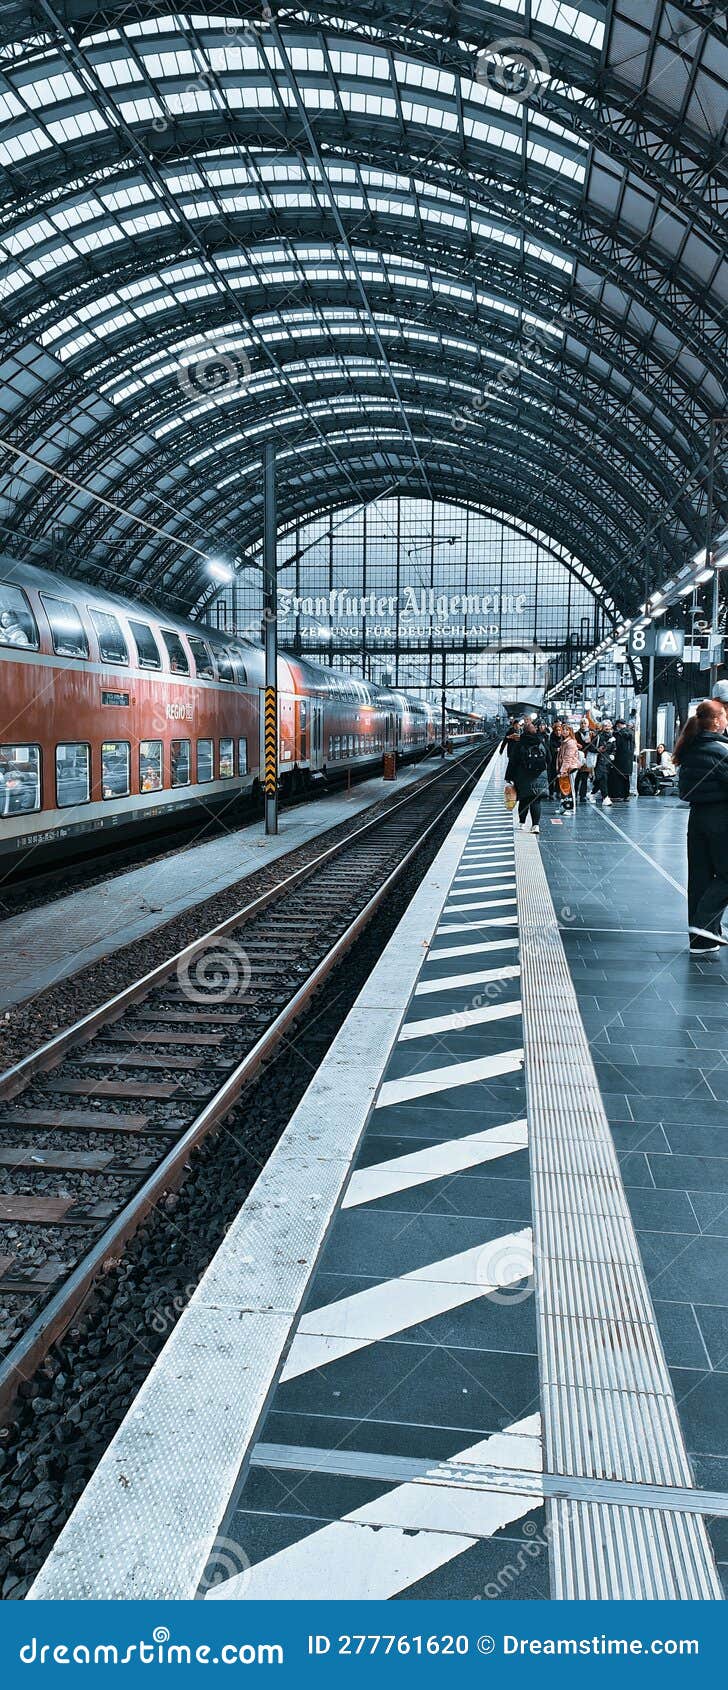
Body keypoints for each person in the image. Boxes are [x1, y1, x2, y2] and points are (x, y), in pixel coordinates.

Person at [674, 698, 728, 952]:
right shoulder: (721, 749)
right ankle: (704, 924)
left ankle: (701, 942)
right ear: (717, 721)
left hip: (697, 819)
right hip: (721, 818)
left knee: (700, 877)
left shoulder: (690, 748)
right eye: (726, 717)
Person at [510, 716, 548, 833]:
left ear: (523, 731)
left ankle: (522, 823)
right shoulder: (541, 742)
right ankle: (535, 825)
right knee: (536, 801)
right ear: (535, 731)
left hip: (523, 776)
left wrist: (509, 777)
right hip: (539, 775)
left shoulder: (520, 744)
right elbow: (549, 759)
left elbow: (513, 761)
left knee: (524, 799)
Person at [587, 719, 615, 805]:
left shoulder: (612, 737)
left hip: (608, 761)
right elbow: (590, 747)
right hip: (599, 760)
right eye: (605, 726)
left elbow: (614, 748)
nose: (607, 727)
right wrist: (597, 750)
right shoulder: (598, 736)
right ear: (602, 727)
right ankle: (605, 798)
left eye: (609, 726)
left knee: (600, 779)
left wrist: (613, 753)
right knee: (603, 778)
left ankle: (592, 793)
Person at [556, 724, 581, 811]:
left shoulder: (570, 742)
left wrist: (563, 770)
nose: (564, 731)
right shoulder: (565, 742)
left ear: (570, 731)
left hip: (570, 769)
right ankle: (564, 807)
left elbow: (568, 758)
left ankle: (570, 809)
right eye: (563, 729)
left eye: (567, 730)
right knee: (564, 788)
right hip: (565, 768)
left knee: (570, 789)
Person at [609, 718, 635, 802]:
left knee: (621, 777)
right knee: (625, 777)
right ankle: (625, 795)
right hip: (627, 760)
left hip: (621, 759)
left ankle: (621, 794)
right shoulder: (630, 732)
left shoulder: (620, 733)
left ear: (619, 725)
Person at [575, 716, 594, 804]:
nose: (583, 725)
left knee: (584, 778)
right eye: (581, 723)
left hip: (587, 757)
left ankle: (582, 795)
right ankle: (574, 794)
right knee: (576, 778)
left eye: (585, 723)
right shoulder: (576, 734)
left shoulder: (591, 734)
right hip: (577, 758)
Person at [547, 720, 562, 799]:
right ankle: (551, 792)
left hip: (560, 761)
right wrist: (556, 750)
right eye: (557, 730)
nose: (558, 732)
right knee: (552, 777)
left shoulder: (563, 738)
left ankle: (558, 792)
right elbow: (551, 748)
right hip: (552, 761)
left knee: (559, 776)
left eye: (560, 730)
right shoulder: (551, 738)